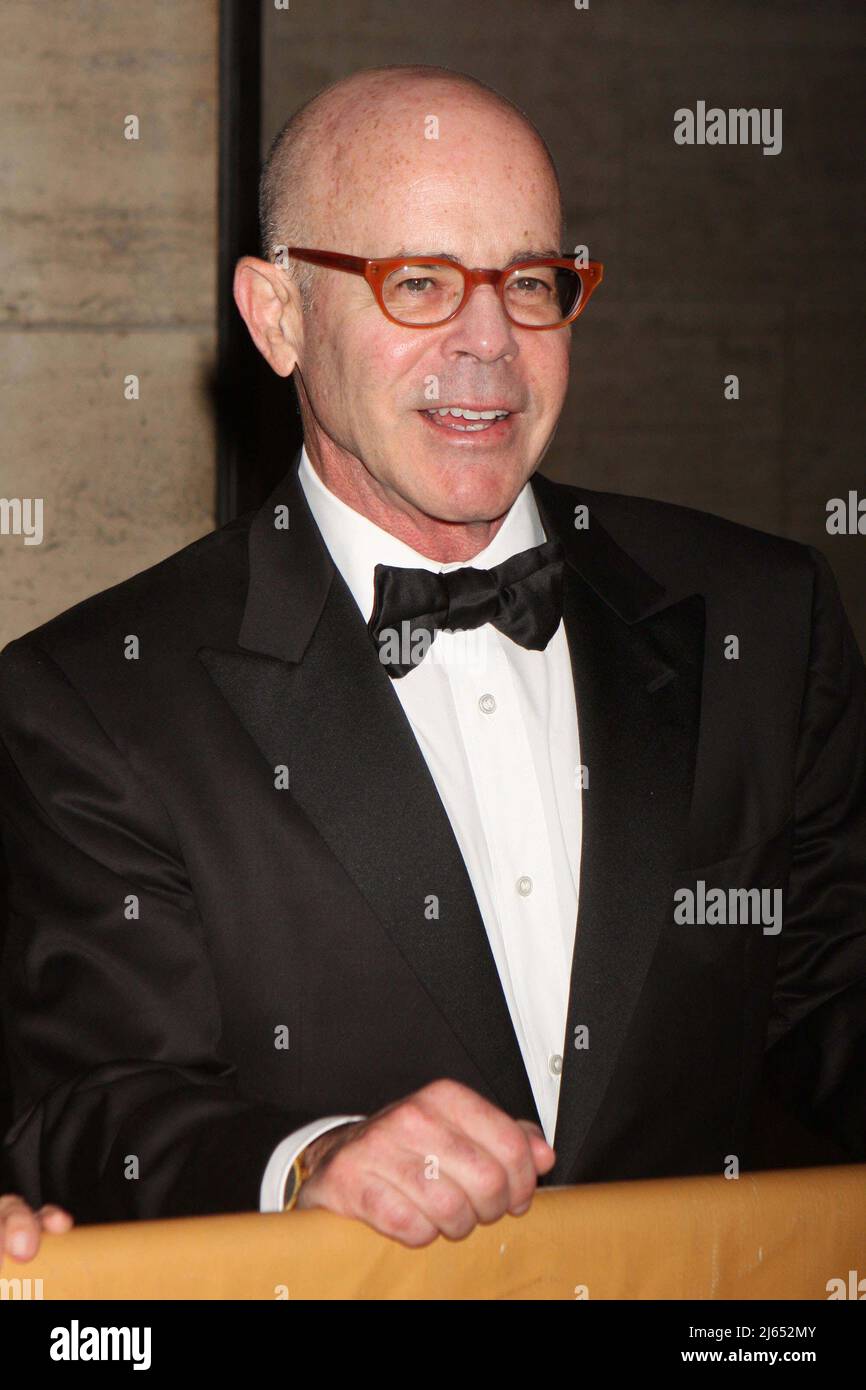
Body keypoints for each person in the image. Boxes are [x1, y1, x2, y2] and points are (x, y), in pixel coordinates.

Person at [0, 66, 863, 1248]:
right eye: (416, 283)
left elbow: (832, 991)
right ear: (278, 317)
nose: (489, 344)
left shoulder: (762, 618)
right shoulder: (95, 698)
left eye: (528, 282)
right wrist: (306, 1166)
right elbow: (90, 1108)